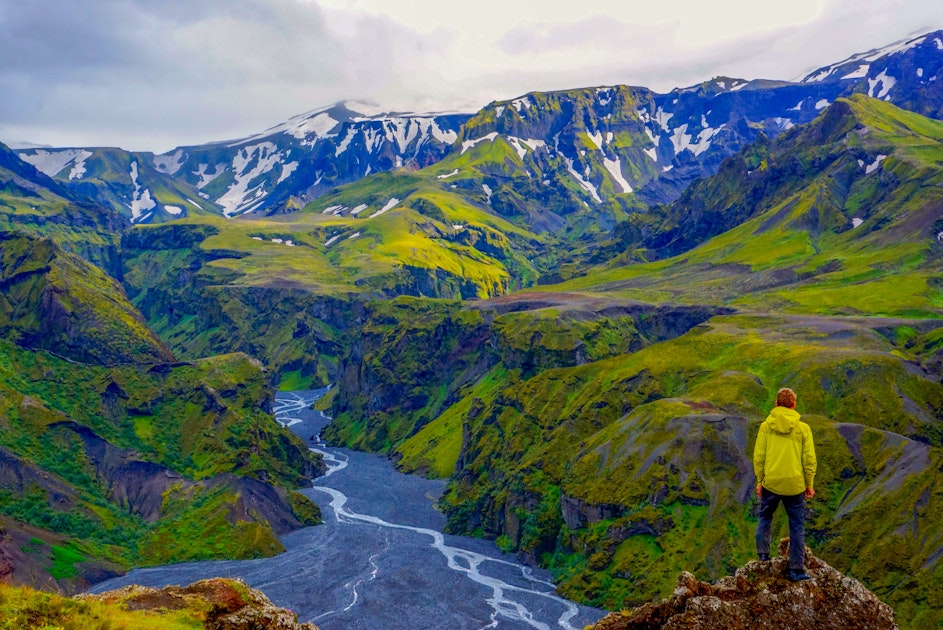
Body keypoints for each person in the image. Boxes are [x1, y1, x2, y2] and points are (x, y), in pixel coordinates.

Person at [753, 387, 817, 581]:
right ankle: (797, 569)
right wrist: (809, 484)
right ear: (793, 405)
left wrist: (759, 480)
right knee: (796, 526)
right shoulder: (803, 429)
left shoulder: (766, 426)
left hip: (771, 481)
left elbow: (759, 457)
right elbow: (809, 460)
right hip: (795, 484)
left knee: (765, 517)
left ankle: (763, 557)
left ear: (776, 404)